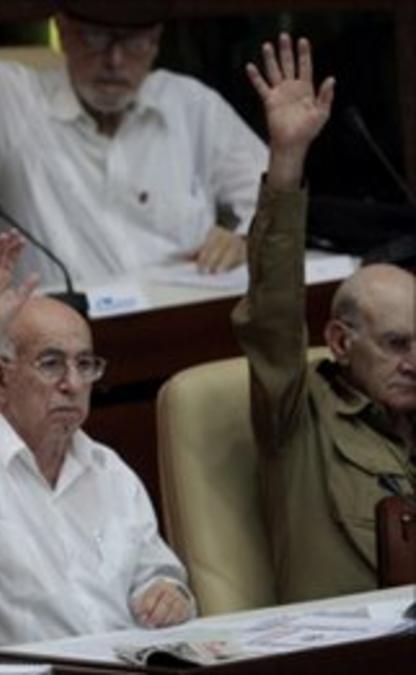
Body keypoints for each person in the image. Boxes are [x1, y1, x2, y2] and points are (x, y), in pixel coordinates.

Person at [0, 231, 194, 649]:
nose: (73, 383)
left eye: (85, 364)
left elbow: (157, 573)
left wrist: (168, 594)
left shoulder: (109, 469)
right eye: (51, 364)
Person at [233, 33, 414, 602]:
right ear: (339, 340)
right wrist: (286, 161)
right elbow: (273, 312)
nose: (415, 363)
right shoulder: (296, 412)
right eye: (397, 344)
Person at [0, 0, 268, 287]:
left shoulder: (191, 105)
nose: (115, 61)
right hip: (52, 350)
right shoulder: (7, 102)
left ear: (156, 42)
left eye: (133, 43)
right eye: (95, 38)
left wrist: (244, 241)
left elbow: (273, 195)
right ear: (63, 31)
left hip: (176, 332)